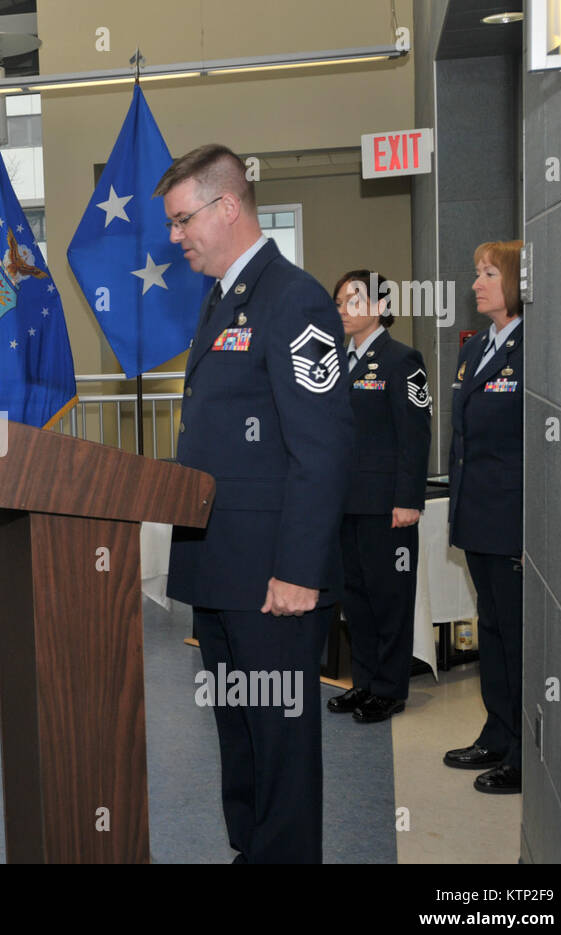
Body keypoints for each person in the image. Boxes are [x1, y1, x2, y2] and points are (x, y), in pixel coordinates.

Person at [157, 144, 355, 864]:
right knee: (238, 732)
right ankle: (252, 850)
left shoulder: (293, 298)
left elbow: (323, 447)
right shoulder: (222, 296)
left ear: (227, 206)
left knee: (280, 739)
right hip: (222, 569)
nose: (176, 237)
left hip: (275, 578)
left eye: (183, 221)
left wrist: (299, 570)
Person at [326, 271, 431, 723]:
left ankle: (389, 689)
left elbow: (415, 436)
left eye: (354, 299)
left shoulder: (401, 359)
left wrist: (409, 499)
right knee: (356, 599)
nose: (344, 308)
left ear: (380, 306)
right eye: (339, 301)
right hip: (344, 503)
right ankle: (365, 682)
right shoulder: (336, 362)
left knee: (389, 597)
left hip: (387, 506)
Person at [444, 240, 524, 794]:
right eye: (477, 273)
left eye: (488, 273)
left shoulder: (533, 345)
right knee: (491, 632)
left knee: (518, 638)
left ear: (516, 280)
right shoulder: (476, 348)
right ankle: (497, 734)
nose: (476, 283)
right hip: (477, 513)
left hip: (515, 519)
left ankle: (523, 753)